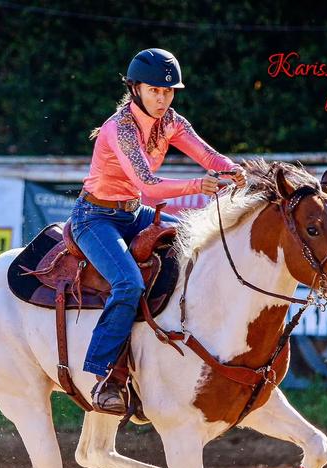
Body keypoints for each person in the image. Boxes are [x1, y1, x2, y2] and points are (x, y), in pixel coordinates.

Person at [70, 47, 246, 414]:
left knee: (196, 251)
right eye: (155, 90)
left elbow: (210, 157)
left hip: (133, 213)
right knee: (129, 283)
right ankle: (102, 375)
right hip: (94, 218)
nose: (162, 98)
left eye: (168, 92)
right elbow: (147, 183)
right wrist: (199, 186)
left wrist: (235, 171)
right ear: (135, 89)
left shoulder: (172, 122)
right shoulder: (118, 129)